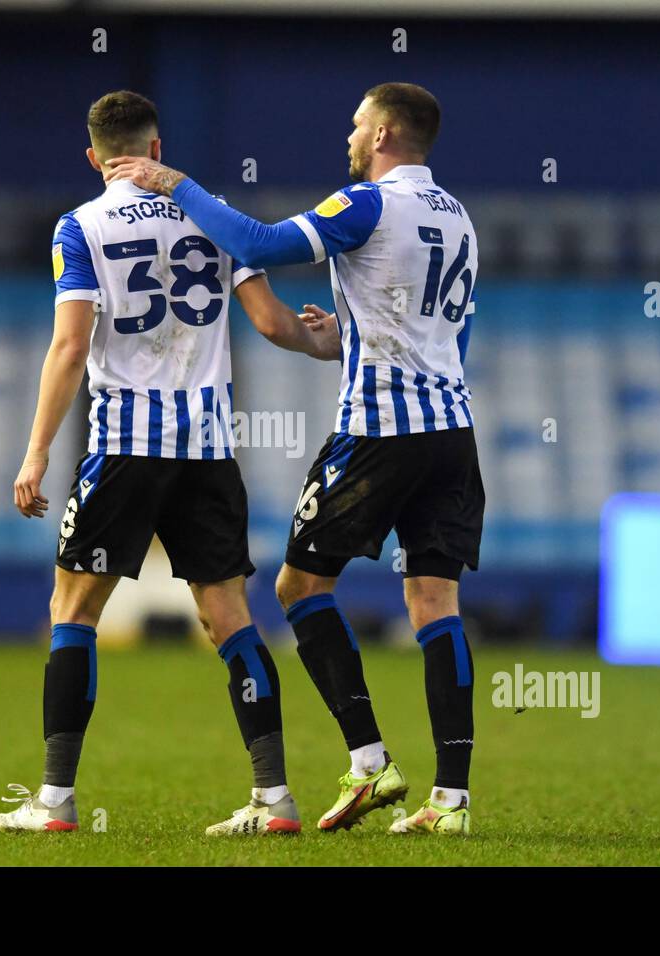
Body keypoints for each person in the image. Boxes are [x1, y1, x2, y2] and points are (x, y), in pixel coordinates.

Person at [106, 82, 482, 835]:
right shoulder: (459, 217)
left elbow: (267, 243)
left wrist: (175, 184)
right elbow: (443, 338)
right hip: (453, 434)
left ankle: (371, 764)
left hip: (380, 433)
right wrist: (348, 340)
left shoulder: (368, 203)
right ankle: (451, 802)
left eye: (355, 122)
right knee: (436, 605)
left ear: (380, 133)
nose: (348, 134)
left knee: (299, 586)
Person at [0, 90, 339, 837]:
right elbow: (274, 324)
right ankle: (274, 799)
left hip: (124, 447)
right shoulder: (212, 216)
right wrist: (328, 344)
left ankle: (54, 801)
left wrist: (38, 451)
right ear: (156, 144)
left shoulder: (80, 225)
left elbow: (71, 347)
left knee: (72, 611)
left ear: (94, 154)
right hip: (207, 450)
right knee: (232, 619)